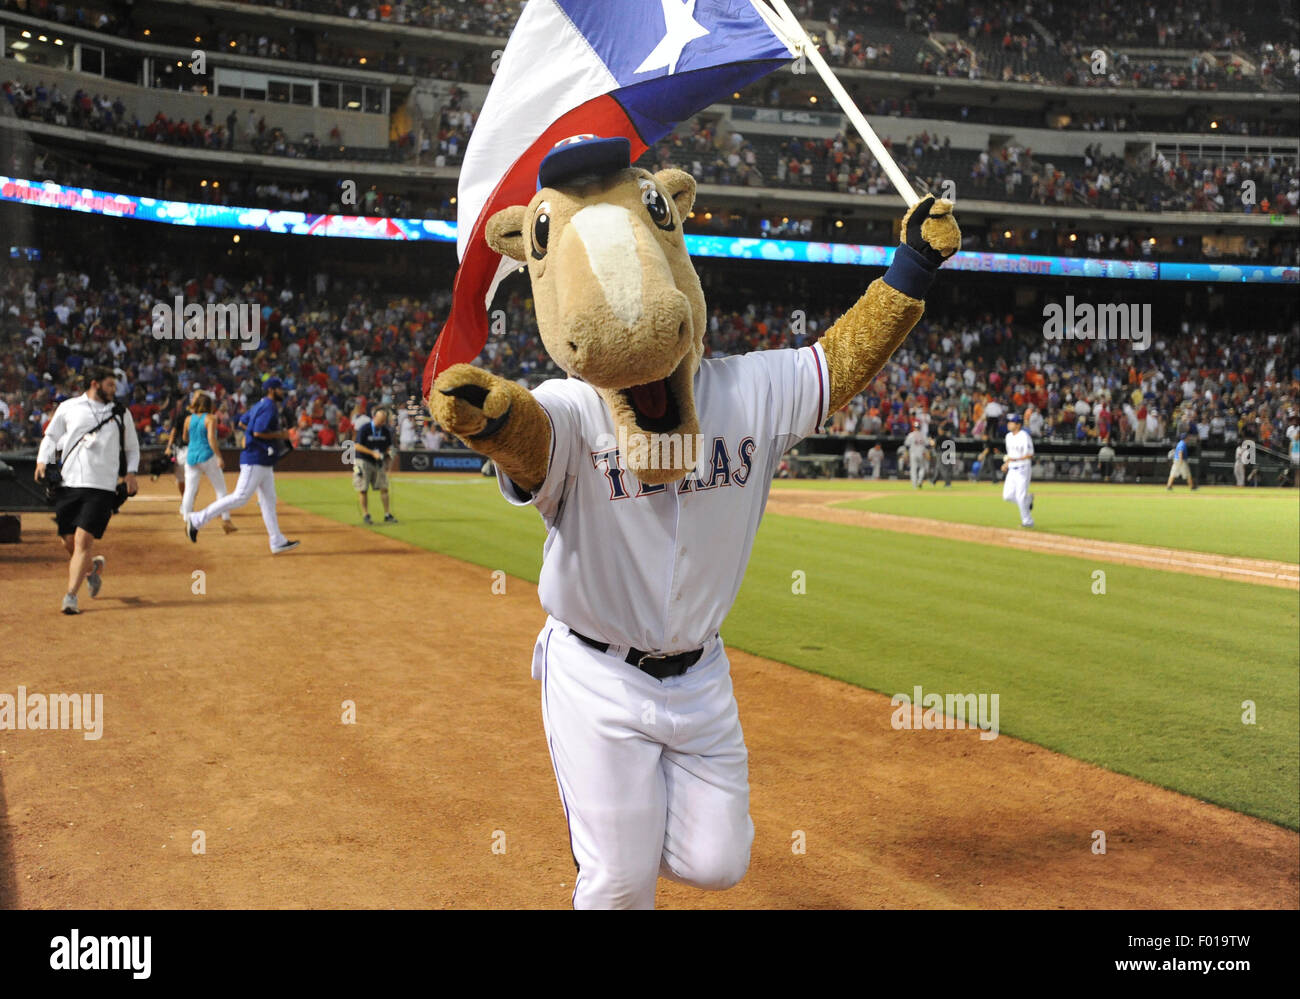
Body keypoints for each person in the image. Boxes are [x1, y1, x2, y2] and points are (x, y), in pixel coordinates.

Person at [35, 366, 140, 614]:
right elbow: (51, 437)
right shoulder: (69, 407)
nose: (115, 390)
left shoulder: (120, 413)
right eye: (110, 385)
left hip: (102, 486)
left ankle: (70, 596)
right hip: (68, 482)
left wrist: (131, 473)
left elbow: (132, 448)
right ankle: (92, 569)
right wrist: (43, 461)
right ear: (95, 384)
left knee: (83, 540)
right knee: (68, 541)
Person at [184, 377, 299, 553]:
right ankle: (197, 519)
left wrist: (252, 437)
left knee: (269, 501)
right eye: (280, 389)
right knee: (240, 497)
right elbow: (258, 431)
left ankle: (277, 540)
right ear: (272, 390)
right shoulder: (269, 407)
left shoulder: (259, 405)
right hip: (256, 459)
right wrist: (281, 435)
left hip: (263, 460)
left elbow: (242, 423)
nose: (282, 392)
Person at [180, 392, 236, 534]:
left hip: (191, 456)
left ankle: (187, 520)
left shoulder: (188, 419)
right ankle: (226, 520)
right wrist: (219, 456)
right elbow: (211, 438)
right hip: (207, 455)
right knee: (220, 489)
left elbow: (185, 438)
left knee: (189, 490)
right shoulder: (211, 418)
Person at [353, 407, 397, 524]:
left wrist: (389, 453)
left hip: (378, 462)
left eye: (383, 421)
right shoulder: (365, 429)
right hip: (364, 460)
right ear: (374, 418)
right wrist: (372, 453)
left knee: (384, 487)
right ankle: (366, 515)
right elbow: (356, 446)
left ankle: (387, 514)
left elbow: (388, 446)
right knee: (363, 489)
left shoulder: (385, 431)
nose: (381, 423)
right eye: (380, 420)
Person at [1001, 412, 1034, 527]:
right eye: (1009, 422)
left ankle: (1027, 521)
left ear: (1018, 424)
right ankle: (1027, 501)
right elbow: (1010, 455)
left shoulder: (1024, 436)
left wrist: (1015, 459)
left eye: (1011, 422)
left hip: (1023, 468)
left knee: (1020, 496)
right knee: (1007, 496)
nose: (1009, 424)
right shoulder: (1008, 437)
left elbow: (1030, 454)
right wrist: (1007, 463)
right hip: (1012, 469)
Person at [903, 419, 928, 488]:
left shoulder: (911, 435)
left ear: (914, 427)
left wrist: (906, 453)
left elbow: (907, 445)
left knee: (913, 469)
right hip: (921, 453)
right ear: (920, 427)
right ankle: (919, 481)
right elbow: (927, 445)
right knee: (922, 468)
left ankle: (914, 485)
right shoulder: (923, 435)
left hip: (913, 453)